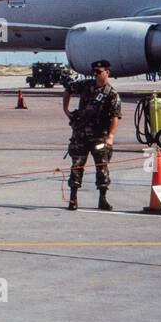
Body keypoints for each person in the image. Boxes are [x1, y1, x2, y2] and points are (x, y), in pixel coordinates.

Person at [62, 59, 121, 211]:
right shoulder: (86, 85)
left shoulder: (111, 94)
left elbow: (115, 117)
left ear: (107, 72)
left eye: (99, 72)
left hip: (99, 136)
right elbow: (68, 88)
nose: (95, 75)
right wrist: (66, 110)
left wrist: (110, 137)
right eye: (94, 72)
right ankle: (73, 199)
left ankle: (102, 199)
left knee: (102, 166)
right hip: (80, 134)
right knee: (76, 166)